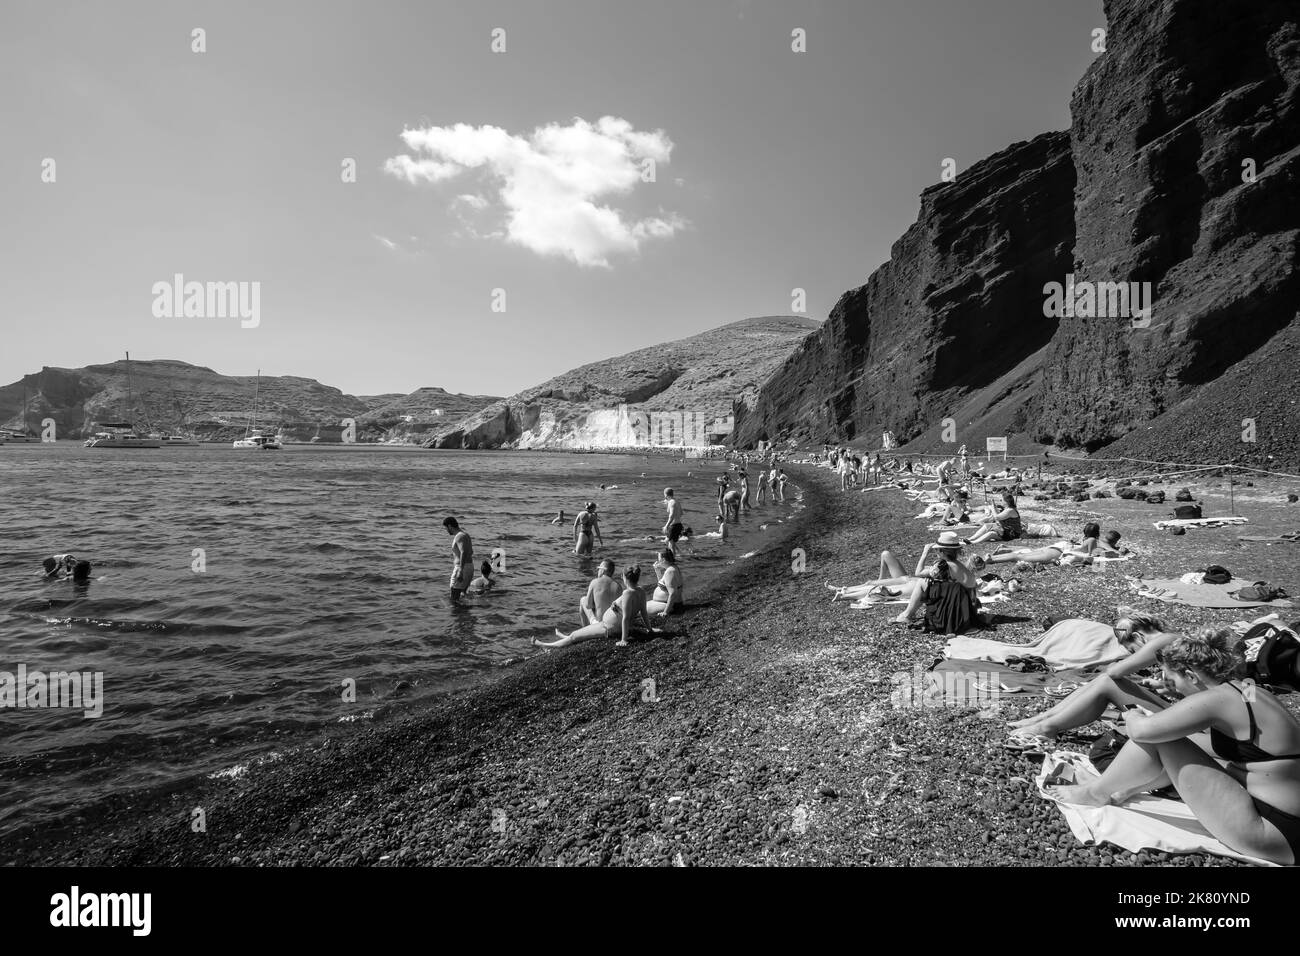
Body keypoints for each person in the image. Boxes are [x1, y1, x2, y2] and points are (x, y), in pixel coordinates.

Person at [1047, 628, 1300, 866]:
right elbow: (1203, 757)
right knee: (1178, 743)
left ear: (1191, 676)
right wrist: (1134, 788)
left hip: (1273, 831)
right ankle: (1116, 790)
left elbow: (1142, 732)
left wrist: (1132, 715)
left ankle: (1095, 793)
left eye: (1174, 682)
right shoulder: (1247, 688)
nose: (1176, 691)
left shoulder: (1217, 699)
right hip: (1285, 820)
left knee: (1161, 738)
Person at [1007, 609, 1171, 739]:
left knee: (1107, 681)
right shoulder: (1173, 643)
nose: (1134, 656)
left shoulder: (1162, 642)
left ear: (1138, 637)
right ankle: (1045, 719)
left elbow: (1114, 672)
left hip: (1185, 723)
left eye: (1133, 650)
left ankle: (1047, 726)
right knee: (1105, 679)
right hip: (1183, 714)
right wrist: (1164, 685)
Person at [537, 565, 660, 648]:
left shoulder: (627, 593)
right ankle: (565, 637)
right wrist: (650, 629)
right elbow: (642, 612)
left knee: (574, 636)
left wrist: (624, 640)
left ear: (624, 577)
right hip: (608, 624)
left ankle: (547, 645)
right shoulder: (640, 591)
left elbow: (626, 618)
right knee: (578, 634)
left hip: (608, 628)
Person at [579, 558, 624, 625]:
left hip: (599, 624)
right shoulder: (618, 586)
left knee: (583, 600)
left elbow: (588, 605)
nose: (598, 571)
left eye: (599, 568)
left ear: (603, 570)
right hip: (614, 624)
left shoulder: (594, 582)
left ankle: (585, 630)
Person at [443, 517, 473, 603]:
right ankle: (464, 615)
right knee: (462, 596)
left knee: (454, 598)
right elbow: (471, 551)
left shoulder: (459, 536)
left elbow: (463, 552)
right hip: (469, 566)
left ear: (449, 526)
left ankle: (455, 615)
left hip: (462, 568)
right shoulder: (465, 534)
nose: (446, 530)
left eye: (446, 528)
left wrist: (460, 570)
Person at [647, 550, 684, 616]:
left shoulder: (670, 571)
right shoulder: (672, 568)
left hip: (670, 605)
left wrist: (665, 612)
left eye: (658, 559)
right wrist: (657, 571)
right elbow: (664, 585)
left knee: (637, 609)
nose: (657, 562)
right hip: (664, 603)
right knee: (637, 605)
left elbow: (673, 593)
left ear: (663, 560)